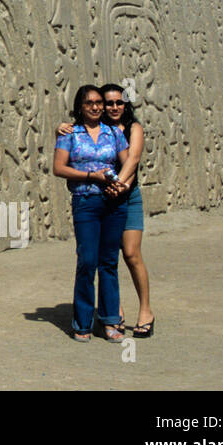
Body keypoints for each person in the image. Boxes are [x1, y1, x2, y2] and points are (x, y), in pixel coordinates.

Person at [57, 84, 154, 337]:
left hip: (117, 201)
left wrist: (120, 185)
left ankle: (113, 319)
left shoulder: (118, 132)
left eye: (101, 102)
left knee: (112, 261)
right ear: (80, 106)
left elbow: (130, 161)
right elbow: (58, 167)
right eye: (91, 102)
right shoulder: (70, 132)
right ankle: (83, 322)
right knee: (87, 261)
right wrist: (92, 175)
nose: (99, 106)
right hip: (86, 200)